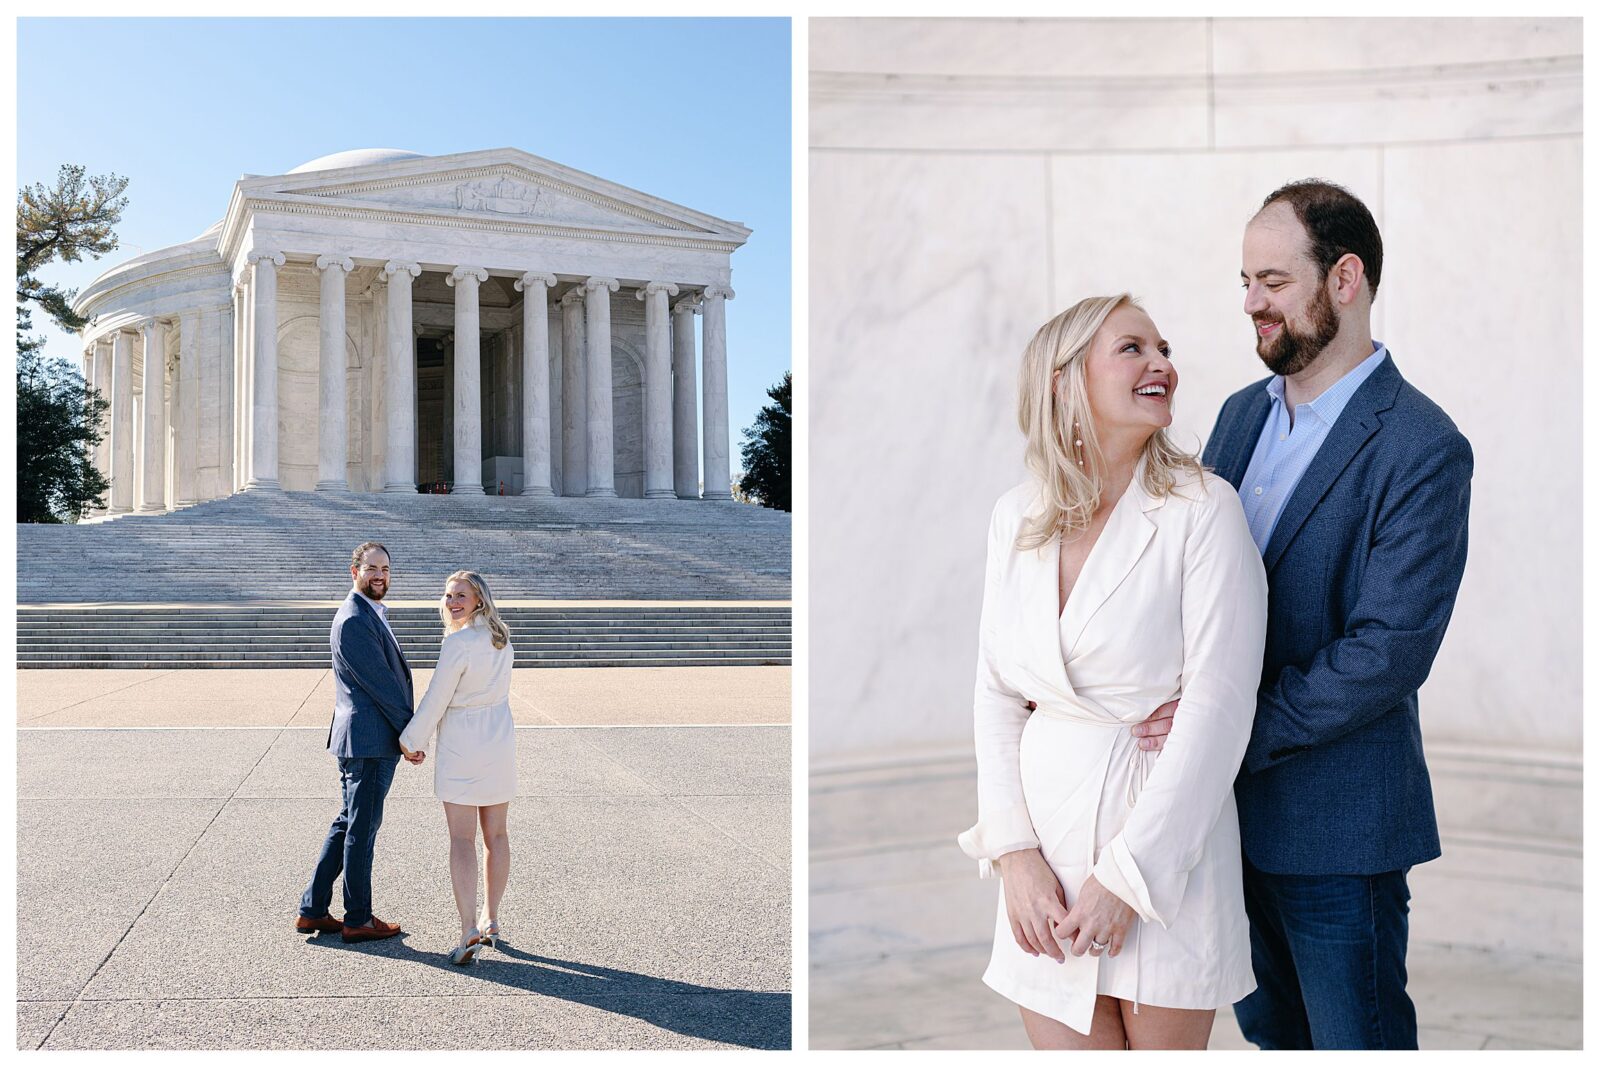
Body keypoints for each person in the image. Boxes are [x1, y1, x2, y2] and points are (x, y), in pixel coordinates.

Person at [1199, 179, 1473, 1049]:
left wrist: (1226, 727)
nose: (1252, 303)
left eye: (1273, 281)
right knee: (1274, 1038)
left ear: (1344, 278)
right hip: (1222, 824)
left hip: (1338, 830)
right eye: (1244, 281)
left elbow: (1388, 651)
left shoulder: (1423, 445)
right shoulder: (1238, 417)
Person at [958, 294, 1268, 1050]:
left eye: (1162, 346)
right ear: (1065, 381)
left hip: (1162, 843)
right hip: (1044, 853)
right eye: (1132, 348)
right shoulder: (1017, 516)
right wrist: (1015, 854)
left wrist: (1128, 878)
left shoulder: (1204, 508)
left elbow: (1219, 709)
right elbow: (997, 694)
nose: (1161, 362)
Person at [297, 541, 423, 943]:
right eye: (371, 568)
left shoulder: (368, 613)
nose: (380, 575)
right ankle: (358, 918)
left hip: (365, 738)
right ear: (354, 572)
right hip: (370, 741)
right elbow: (383, 686)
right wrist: (410, 736)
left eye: (385, 568)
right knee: (361, 830)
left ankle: (313, 909)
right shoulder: (354, 618)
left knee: (348, 822)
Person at [399, 570, 517, 966]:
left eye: (460, 596)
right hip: (499, 739)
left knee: (462, 839)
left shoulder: (459, 643)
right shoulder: (502, 639)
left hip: (464, 743)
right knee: (496, 835)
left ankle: (469, 926)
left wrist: (412, 741)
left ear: (479, 600)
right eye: (448, 595)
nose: (452, 602)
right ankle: (492, 918)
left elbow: (437, 697)